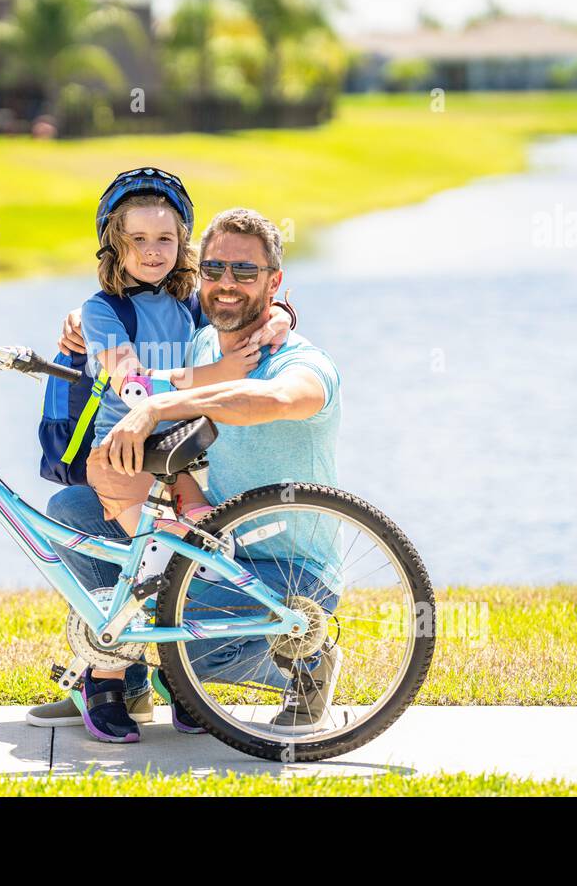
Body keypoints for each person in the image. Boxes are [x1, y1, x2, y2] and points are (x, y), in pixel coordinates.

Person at [31, 207, 344, 741]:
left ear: (274, 281)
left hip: (289, 575)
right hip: (209, 547)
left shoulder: (302, 364)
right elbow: (155, 368)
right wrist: (83, 320)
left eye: (246, 273)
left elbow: (268, 399)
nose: (227, 283)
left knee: (181, 636)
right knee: (73, 513)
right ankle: (126, 677)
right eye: (215, 269)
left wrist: (158, 407)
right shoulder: (203, 342)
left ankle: (305, 663)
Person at [66, 169, 294, 743]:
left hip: (187, 448)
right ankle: (107, 676)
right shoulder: (102, 311)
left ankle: (178, 673)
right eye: (137, 239)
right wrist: (215, 375)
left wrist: (283, 317)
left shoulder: (192, 301)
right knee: (145, 563)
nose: (151, 251)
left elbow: (255, 312)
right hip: (127, 449)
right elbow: (132, 386)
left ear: (183, 243)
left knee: (187, 553)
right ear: (114, 242)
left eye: (165, 239)